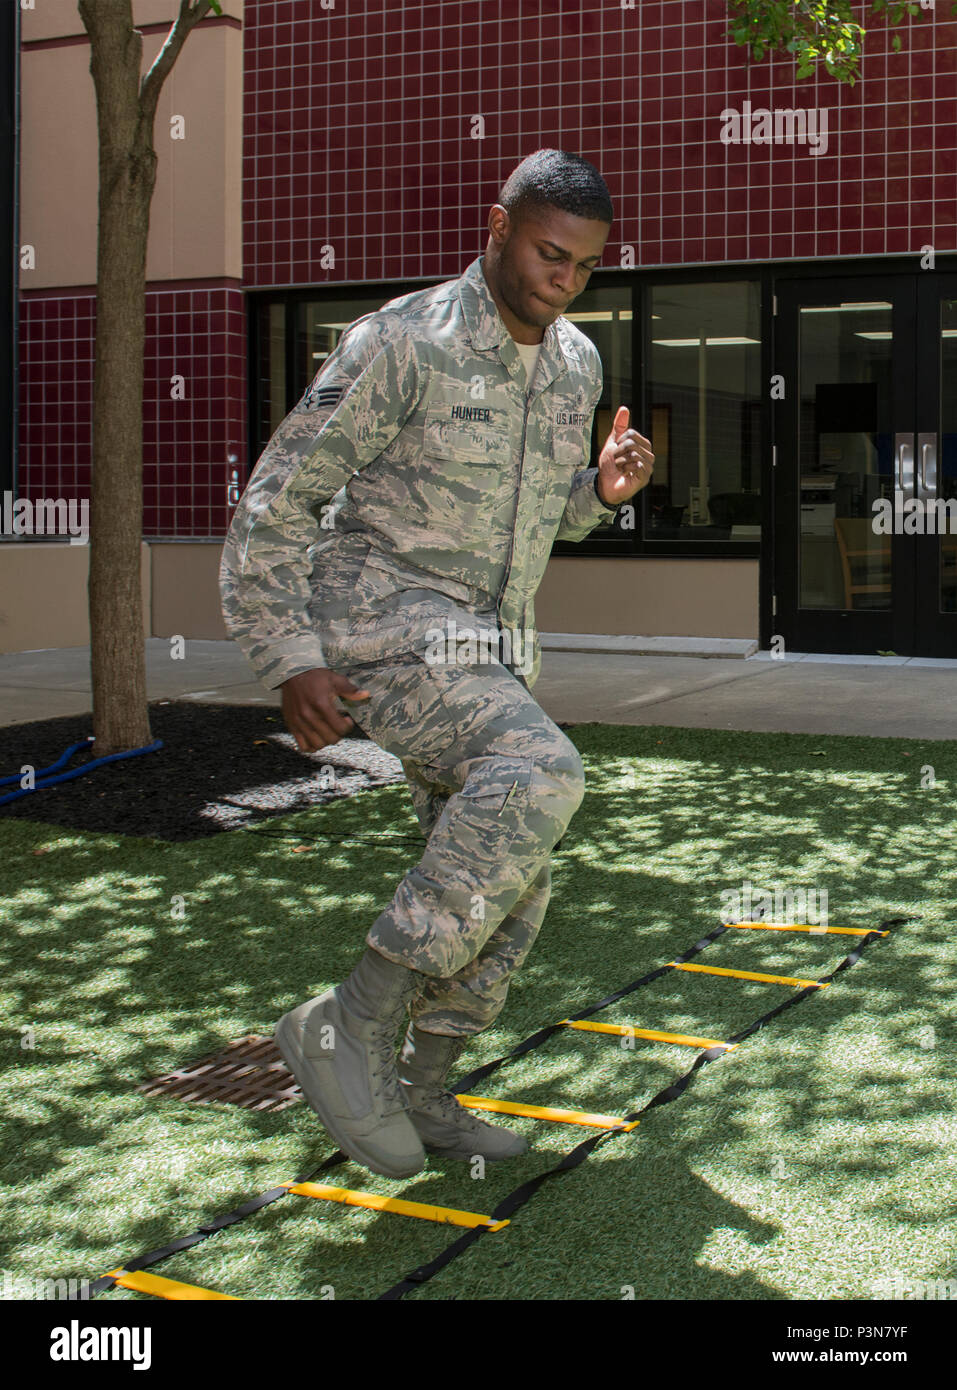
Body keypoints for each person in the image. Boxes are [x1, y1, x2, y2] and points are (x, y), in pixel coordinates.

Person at [219, 149, 653, 1181]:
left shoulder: (576, 366)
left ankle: (422, 1082)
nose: (566, 279)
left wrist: (600, 491)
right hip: (381, 620)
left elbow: (544, 526)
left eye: (586, 266)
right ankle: (346, 1021)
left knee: (518, 860)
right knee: (540, 774)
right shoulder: (401, 342)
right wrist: (287, 656)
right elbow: (277, 499)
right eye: (551, 253)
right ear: (497, 227)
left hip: (487, 645)